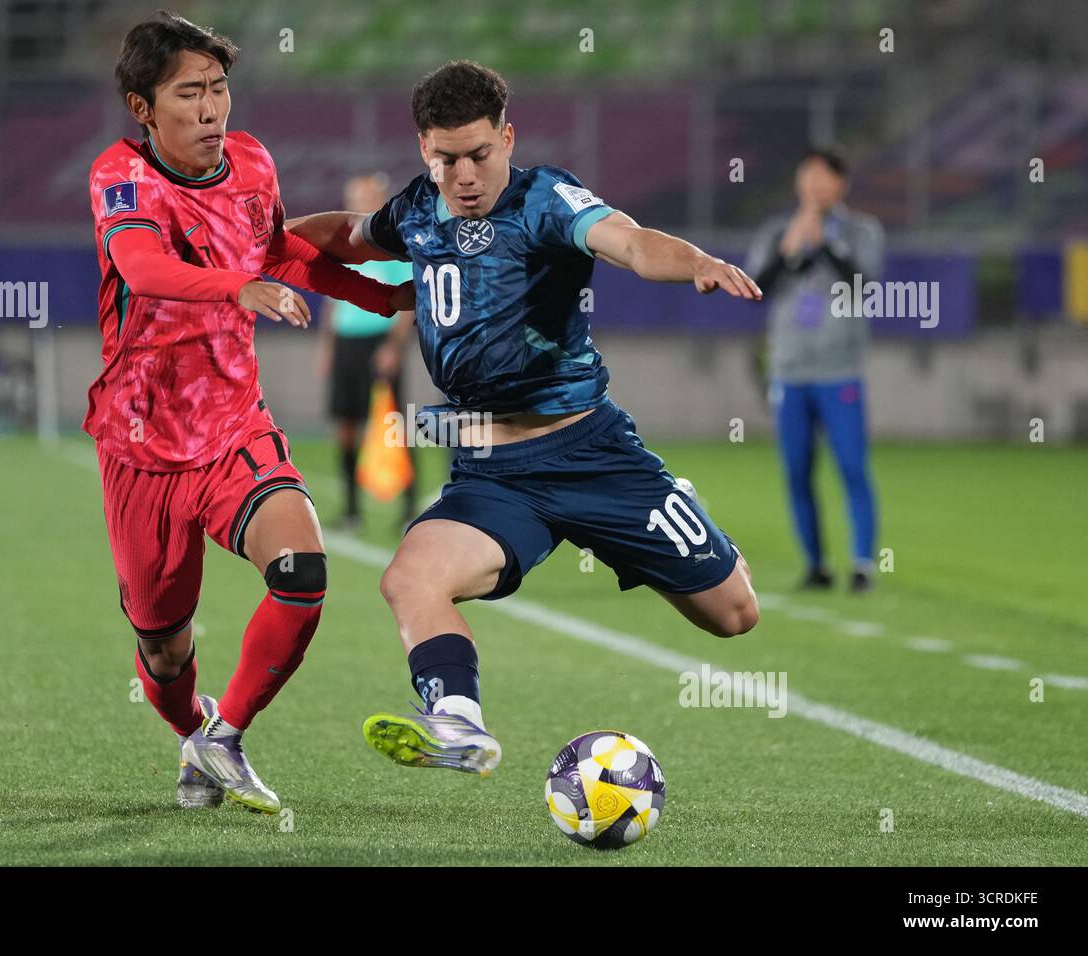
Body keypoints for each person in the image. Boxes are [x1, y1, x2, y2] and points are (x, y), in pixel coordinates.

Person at [289, 60, 760, 775]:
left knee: (733, 616)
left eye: (479, 154)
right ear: (424, 149)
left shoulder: (546, 199)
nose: (464, 175)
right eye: (446, 159)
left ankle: (677, 507)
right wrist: (262, 238)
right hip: (492, 469)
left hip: (591, 453)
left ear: (507, 139)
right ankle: (457, 723)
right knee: (409, 578)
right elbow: (351, 234)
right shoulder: (415, 209)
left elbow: (632, 241)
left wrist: (694, 260)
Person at [85, 12, 413, 812]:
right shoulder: (120, 176)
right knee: (164, 652)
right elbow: (142, 264)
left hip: (234, 425)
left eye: (219, 88)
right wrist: (236, 287)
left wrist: (385, 297)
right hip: (141, 441)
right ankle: (193, 734)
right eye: (188, 93)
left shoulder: (253, 163)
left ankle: (226, 735)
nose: (210, 109)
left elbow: (280, 253)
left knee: (302, 573)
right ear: (142, 107)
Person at [745, 145, 884, 593]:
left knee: (852, 466)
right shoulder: (776, 231)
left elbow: (864, 283)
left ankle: (863, 564)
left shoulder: (862, 230)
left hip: (839, 370)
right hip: (789, 371)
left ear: (841, 185)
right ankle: (816, 565)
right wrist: (790, 250)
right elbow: (756, 288)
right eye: (808, 176)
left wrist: (823, 242)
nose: (814, 186)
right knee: (797, 471)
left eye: (824, 177)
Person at [318, 173, 418, 530]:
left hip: (379, 344)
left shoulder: (394, 243)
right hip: (347, 345)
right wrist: (328, 347)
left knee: (392, 425)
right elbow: (333, 300)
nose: (358, 202)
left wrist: (393, 347)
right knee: (346, 427)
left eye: (365, 197)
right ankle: (351, 511)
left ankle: (409, 509)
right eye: (354, 197)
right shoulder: (344, 247)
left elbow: (409, 300)